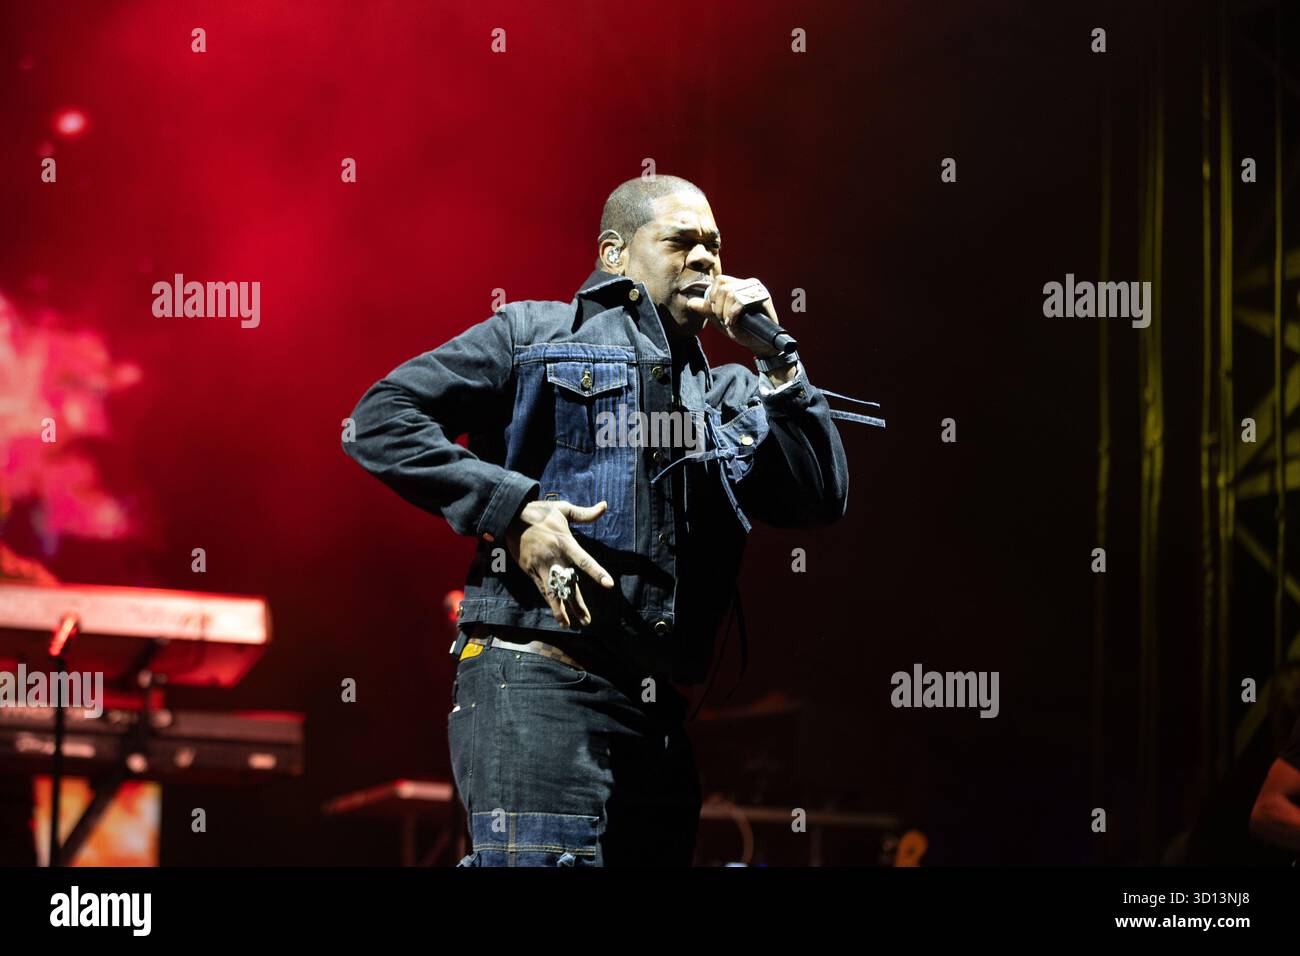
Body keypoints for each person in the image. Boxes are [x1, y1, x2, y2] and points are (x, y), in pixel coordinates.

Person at [343, 174, 873, 866]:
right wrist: (514, 513)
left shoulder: (728, 394)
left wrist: (778, 361)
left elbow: (818, 497)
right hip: (537, 687)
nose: (707, 259)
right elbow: (379, 420)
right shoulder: (534, 334)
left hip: (657, 718)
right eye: (682, 241)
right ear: (615, 254)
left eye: (715, 246)